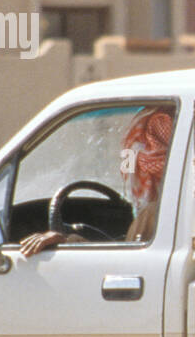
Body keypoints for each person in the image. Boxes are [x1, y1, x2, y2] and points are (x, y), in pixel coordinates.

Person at [19, 106, 174, 257]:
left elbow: (122, 265)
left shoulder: (157, 214)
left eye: (142, 165)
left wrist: (65, 241)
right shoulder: (170, 213)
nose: (135, 177)